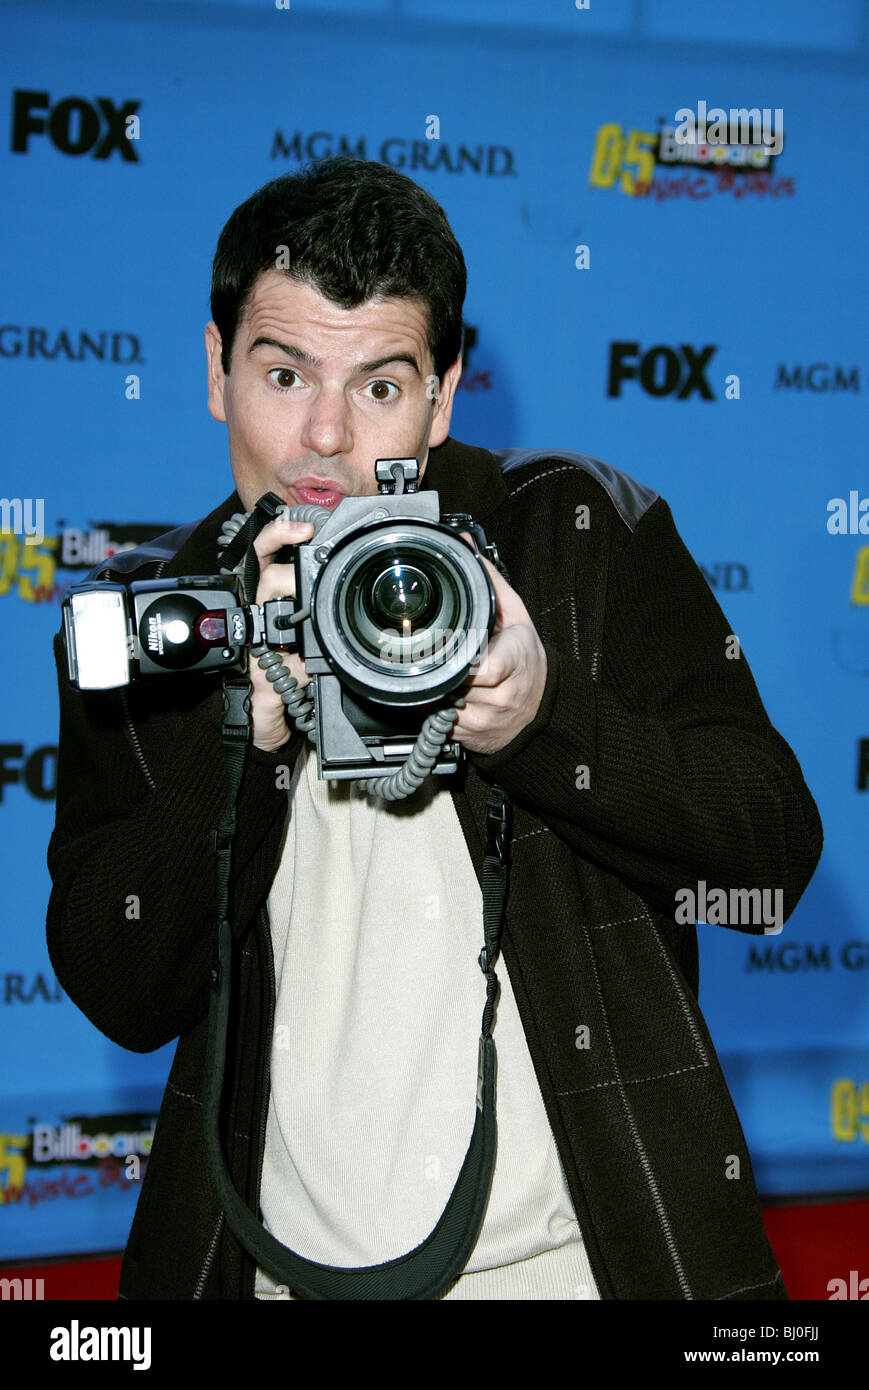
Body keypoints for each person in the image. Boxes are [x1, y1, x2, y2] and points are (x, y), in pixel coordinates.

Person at [46, 156, 823, 1301]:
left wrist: (541, 717)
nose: (322, 438)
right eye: (282, 373)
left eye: (377, 386)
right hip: (270, 1277)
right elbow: (119, 983)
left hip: (587, 1270)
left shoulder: (575, 534)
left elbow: (767, 851)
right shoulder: (152, 622)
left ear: (444, 390)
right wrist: (245, 732)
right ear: (215, 371)